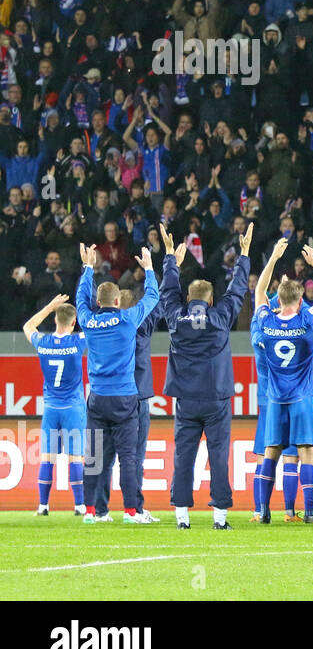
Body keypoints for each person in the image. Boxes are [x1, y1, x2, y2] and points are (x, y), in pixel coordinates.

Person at [158, 223, 251, 530]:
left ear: (188, 297)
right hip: (216, 398)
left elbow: (167, 291)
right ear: (211, 300)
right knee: (219, 456)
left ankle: (182, 517)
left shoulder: (175, 316)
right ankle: (219, 518)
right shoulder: (220, 316)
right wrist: (244, 255)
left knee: (183, 457)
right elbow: (238, 290)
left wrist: (171, 257)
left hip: (186, 399)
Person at [252, 238, 313, 524]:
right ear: (300, 300)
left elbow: (259, 292)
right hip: (302, 398)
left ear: (278, 299)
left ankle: (264, 511)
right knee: (306, 452)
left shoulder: (265, 321)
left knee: (271, 452)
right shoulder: (306, 321)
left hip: (275, 399)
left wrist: (273, 258)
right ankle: (310, 513)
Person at [76, 242, 159, 524]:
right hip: (124, 398)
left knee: (95, 458)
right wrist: (148, 268)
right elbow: (152, 298)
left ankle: (91, 512)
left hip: (97, 399)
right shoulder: (127, 319)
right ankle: (131, 511)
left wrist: (87, 268)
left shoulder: (88, 321)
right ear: (117, 302)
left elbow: (79, 300)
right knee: (128, 458)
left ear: (98, 303)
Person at [23, 295, 87, 516]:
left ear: (54, 320)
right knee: (75, 457)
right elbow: (96, 331)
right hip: (73, 407)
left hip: (51, 408)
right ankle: (79, 505)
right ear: (73, 323)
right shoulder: (78, 341)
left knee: (47, 457)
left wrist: (49, 307)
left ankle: (43, 505)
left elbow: (28, 326)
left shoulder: (44, 342)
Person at [248, 282, 300, 522]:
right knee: (291, 456)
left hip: (267, 402)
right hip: (291, 398)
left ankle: (260, 511)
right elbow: (299, 308)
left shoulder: (259, 331)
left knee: (263, 455)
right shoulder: (296, 330)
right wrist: (288, 296)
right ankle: (289, 512)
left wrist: (272, 302)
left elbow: (258, 309)